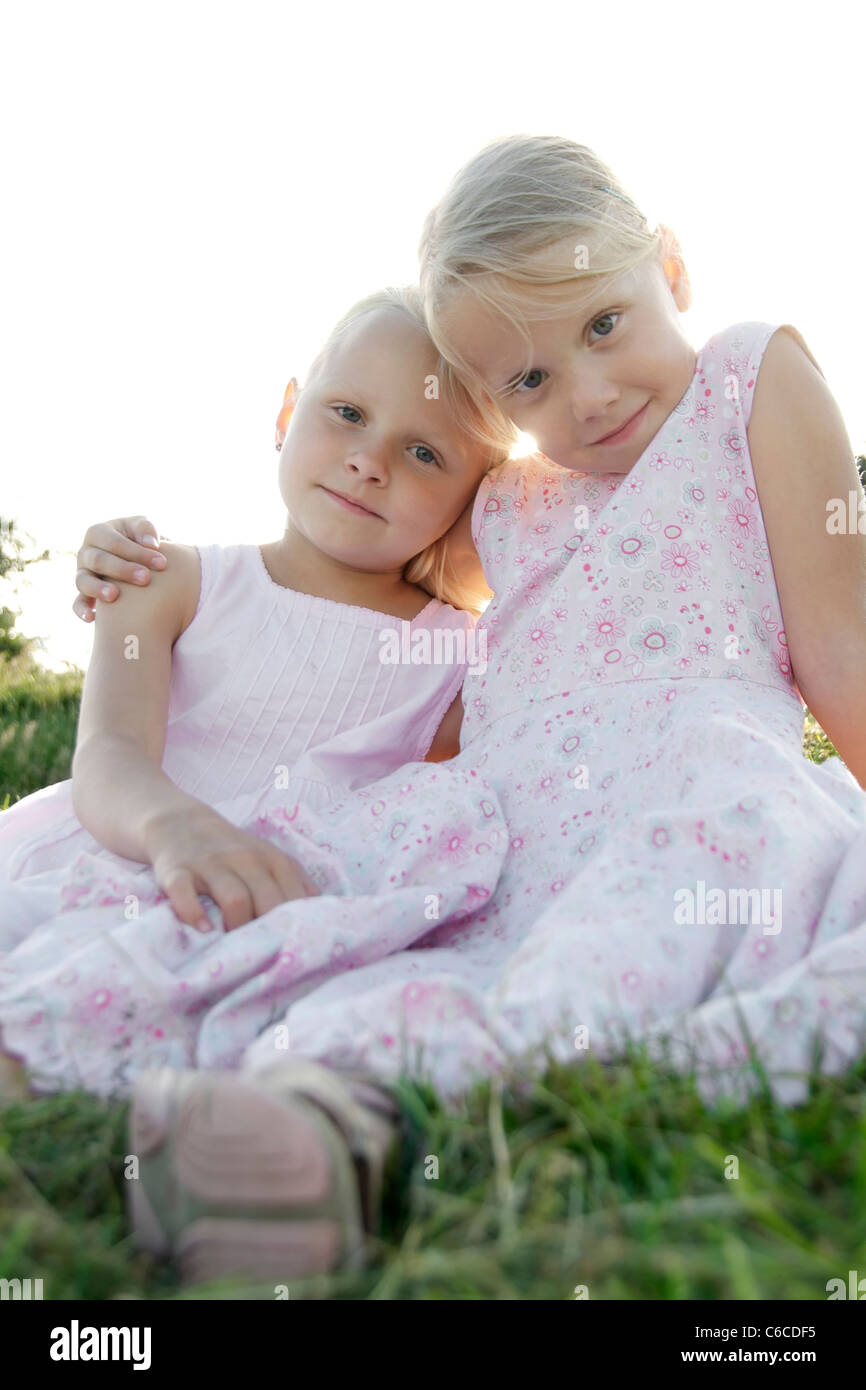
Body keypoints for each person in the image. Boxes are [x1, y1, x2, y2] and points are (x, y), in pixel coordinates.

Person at [55, 133, 866, 1274]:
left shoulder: (749, 377)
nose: (584, 396)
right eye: (525, 381)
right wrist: (123, 556)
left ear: (669, 269)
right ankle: (282, 1107)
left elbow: (840, 646)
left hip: (692, 764)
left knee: (619, 933)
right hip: (496, 799)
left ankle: (351, 1125)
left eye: (602, 323)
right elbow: (348, 558)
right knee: (351, 924)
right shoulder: (508, 498)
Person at [0, 284, 515, 1282]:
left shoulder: (457, 657)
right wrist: (175, 830)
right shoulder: (171, 574)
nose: (370, 458)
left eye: (425, 451)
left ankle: (226, 1153)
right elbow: (105, 755)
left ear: (471, 497)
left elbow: (426, 817)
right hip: (125, 844)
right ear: (286, 413)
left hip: (277, 897)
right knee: (58, 943)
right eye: (346, 415)